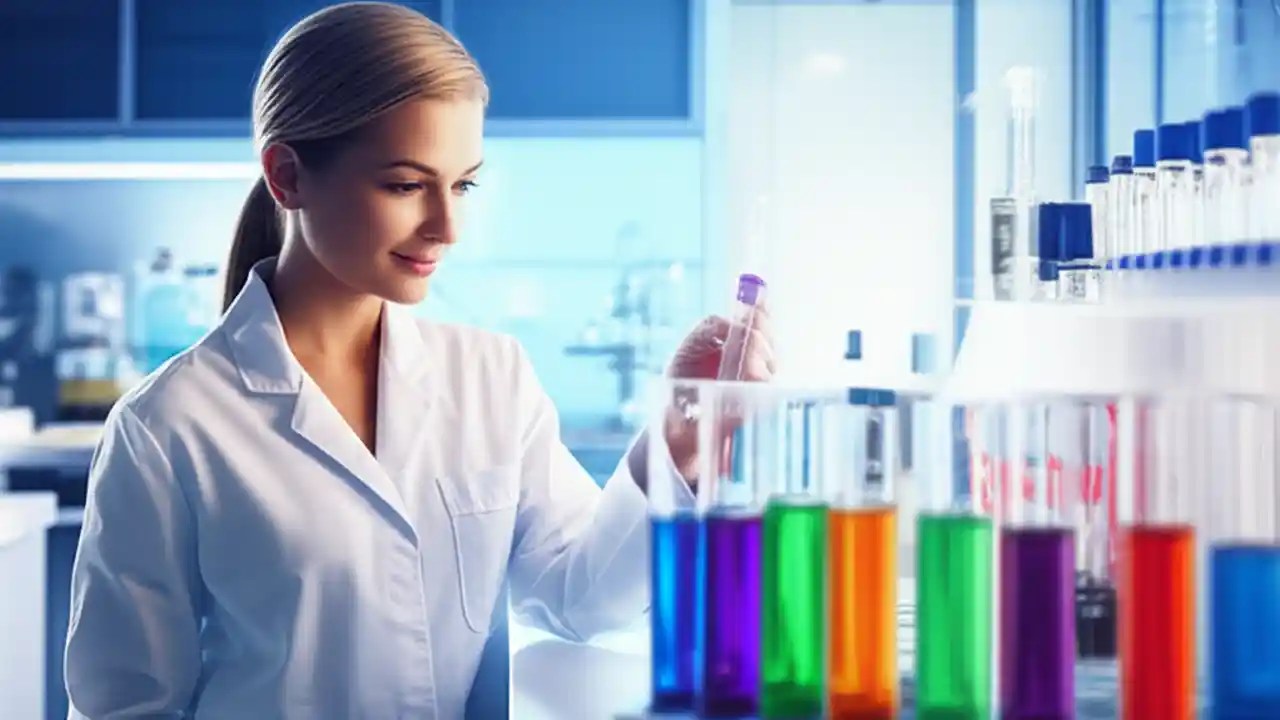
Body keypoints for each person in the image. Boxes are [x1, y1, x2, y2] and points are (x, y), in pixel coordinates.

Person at [63, 3, 775, 719]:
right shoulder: (168, 425)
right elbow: (124, 707)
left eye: (462, 184)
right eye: (406, 185)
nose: (447, 226)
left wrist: (680, 432)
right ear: (287, 176)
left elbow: (583, 600)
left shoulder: (491, 378)